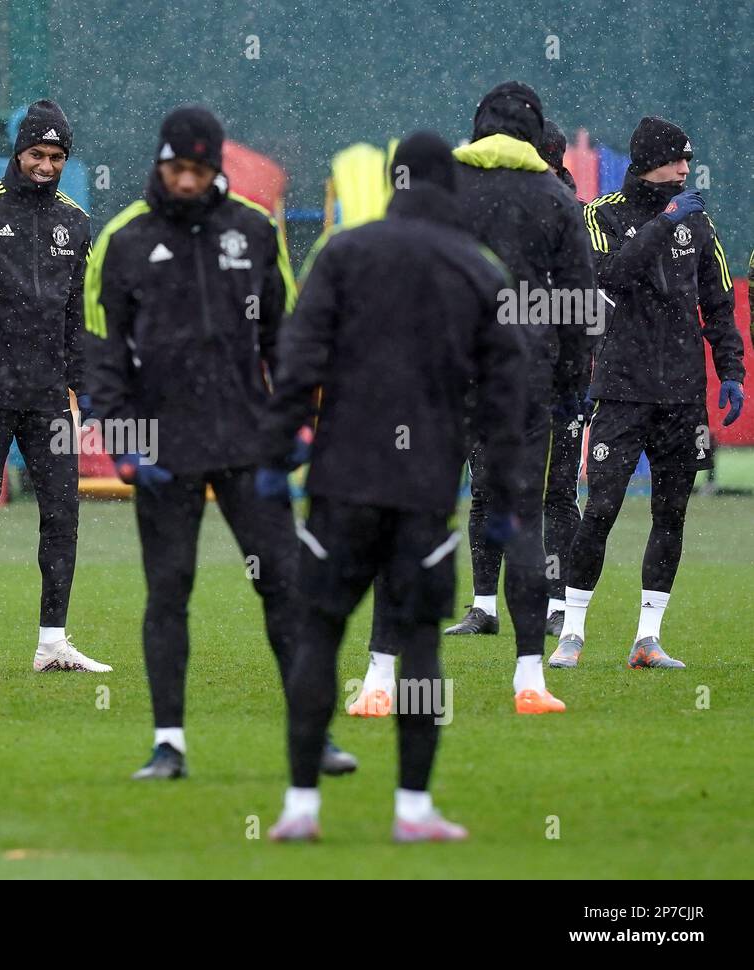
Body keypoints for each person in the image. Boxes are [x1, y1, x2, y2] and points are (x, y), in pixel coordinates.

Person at [259, 132, 524, 842]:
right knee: (422, 648)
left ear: (394, 182)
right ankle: (412, 810)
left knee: (318, 636)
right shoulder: (479, 268)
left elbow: (298, 358)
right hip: (425, 491)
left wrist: (276, 451)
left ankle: (299, 808)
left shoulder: (344, 253)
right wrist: (508, 496)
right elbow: (508, 395)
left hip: (342, 483)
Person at [84, 105, 354, 779]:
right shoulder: (123, 239)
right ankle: (168, 744)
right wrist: (124, 444)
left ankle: (312, 738)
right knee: (168, 593)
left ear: (215, 171)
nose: (186, 180)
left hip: (248, 445)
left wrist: (295, 423)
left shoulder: (254, 231)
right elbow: (104, 356)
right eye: (176, 167)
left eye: (199, 170)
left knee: (286, 586)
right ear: (159, 164)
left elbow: (285, 341)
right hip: (163, 452)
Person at [550, 117, 744, 670]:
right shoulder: (601, 214)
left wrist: (731, 370)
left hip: (682, 396)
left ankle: (647, 639)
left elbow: (720, 302)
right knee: (602, 509)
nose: (687, 170)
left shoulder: (698, 223)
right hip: (621, 389)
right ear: (649, 160)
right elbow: (608, 275)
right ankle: (573, 634)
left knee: (671, 512)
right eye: (677, 160)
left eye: (690, 160)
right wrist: (662, 222)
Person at [436, 81, 595, 714]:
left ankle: (383, 672)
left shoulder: (440, 188)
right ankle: (530, 674)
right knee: (525, 518)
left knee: (415, 516)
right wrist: (571, 383)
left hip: (445, 374)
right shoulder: (556, 196)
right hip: (522, 377)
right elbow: (580, 303)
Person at [0, 99, 109, 676]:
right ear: (19, 153)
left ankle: (52, 643)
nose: (46, 164)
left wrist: (81, 388)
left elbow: (74, 313)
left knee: (62, 513)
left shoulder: (76, 221)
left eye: (57, 155)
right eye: (38, 153)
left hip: (47, 397)